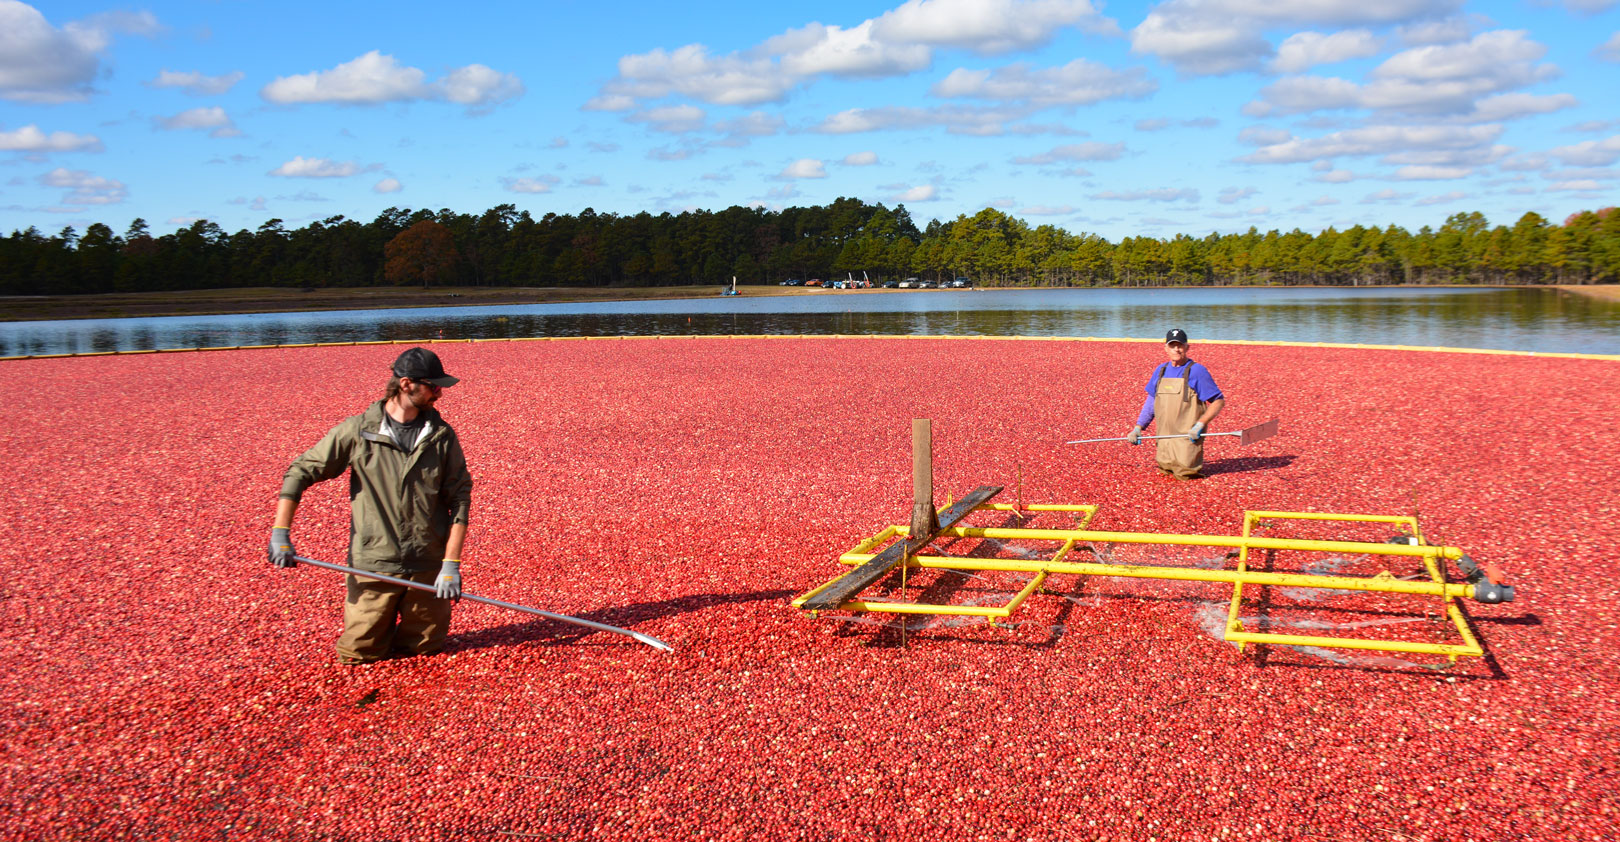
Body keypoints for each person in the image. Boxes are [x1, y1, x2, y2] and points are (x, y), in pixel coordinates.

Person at [268, 347, 474, 664]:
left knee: (425, 649)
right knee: (360, 653)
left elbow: (459, 498)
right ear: (406, 384)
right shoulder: (359, 431)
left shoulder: (441, 437)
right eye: (433, 387)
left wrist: (450, 565)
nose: (439, 394)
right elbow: (301, 471)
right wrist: (281, 532)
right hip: (375, 565)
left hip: (427, 566)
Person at [1125, 329, 1225, 479]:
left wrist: (1200, 424)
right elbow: (1151, 401)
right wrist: (1138, 427)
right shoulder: (1161, 371)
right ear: (1166, 348)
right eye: (1172, 346)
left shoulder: (1196, 371)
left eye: (1180, 345)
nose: (1176, 349)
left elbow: (1218, 401)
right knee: (1165, 473)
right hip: (1164, 440)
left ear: (1187, 347)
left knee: (1186, 474)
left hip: (1187, 439)